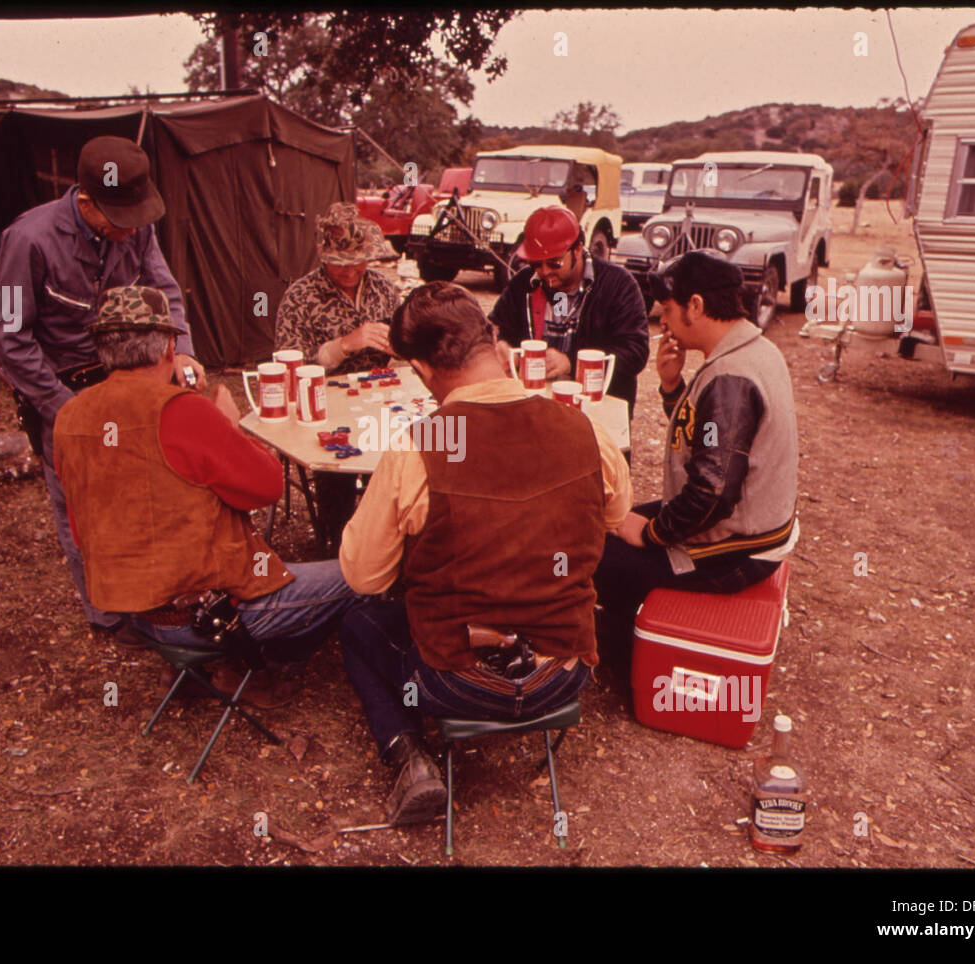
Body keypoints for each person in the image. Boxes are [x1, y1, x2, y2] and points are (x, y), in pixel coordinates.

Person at [337, 282, 632, 824]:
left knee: (359, 623)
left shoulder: (420, 446)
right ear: (496, 342)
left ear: (422, 372)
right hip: (563, 675)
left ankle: (406, 755)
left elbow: (364, 576)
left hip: (457, 684)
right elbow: (616, 517)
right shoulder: (586, 430)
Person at [52, 286, 368, 678]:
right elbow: (267, 486)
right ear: (170, 346)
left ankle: (202, 663)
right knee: (367, 572)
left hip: (129, 607)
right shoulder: (183, 412)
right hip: (207, 615)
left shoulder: (69, 415)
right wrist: (227, 427)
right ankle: (272, 666)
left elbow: (84, 525)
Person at [0, 135, 206, 644]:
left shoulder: (135, 224)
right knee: (80, 503)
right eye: (118, 218)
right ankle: (107, 615)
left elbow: (164, 291)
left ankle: (146, 592)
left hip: (125, 377)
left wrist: (186, 349)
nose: (128, 229)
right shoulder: (29, 239)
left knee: (138, 487)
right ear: (85, 201)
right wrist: (64, 410)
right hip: (61, 384)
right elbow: (10, 338)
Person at [592, 250, 799, 673]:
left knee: (600, 559)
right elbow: (712, 443)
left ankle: (627, 663)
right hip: (756, 526)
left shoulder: (731, 378)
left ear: (697, 306)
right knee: (611, 523)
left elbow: (713, 492)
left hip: (739, 548)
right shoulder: (753, 349)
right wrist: (672, 386)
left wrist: (651, 535)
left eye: (668, 310)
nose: (662, 322)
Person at [275, 202, 401, 544]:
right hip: (324, 404)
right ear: (322, 255)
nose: (349, 272)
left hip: (378, 398)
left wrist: (400, 348)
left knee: (399, 460)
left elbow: (409, 344)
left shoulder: (383, 289)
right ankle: (339, 545)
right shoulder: (300, 296)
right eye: (339, 264)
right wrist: (343, 345)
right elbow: (291, 370)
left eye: (357, 262)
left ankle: (384, 540)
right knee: (336, 471)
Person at [490, 206, 650, 415]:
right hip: (534, 410)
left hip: (594, 412)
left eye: (555, 263)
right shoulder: (525, 282)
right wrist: (499, 342)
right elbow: (494, 326)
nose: (545, 271)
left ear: (578, 250)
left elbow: (635, 352)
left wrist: (571, 363)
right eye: (537, 263)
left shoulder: (619, 285)